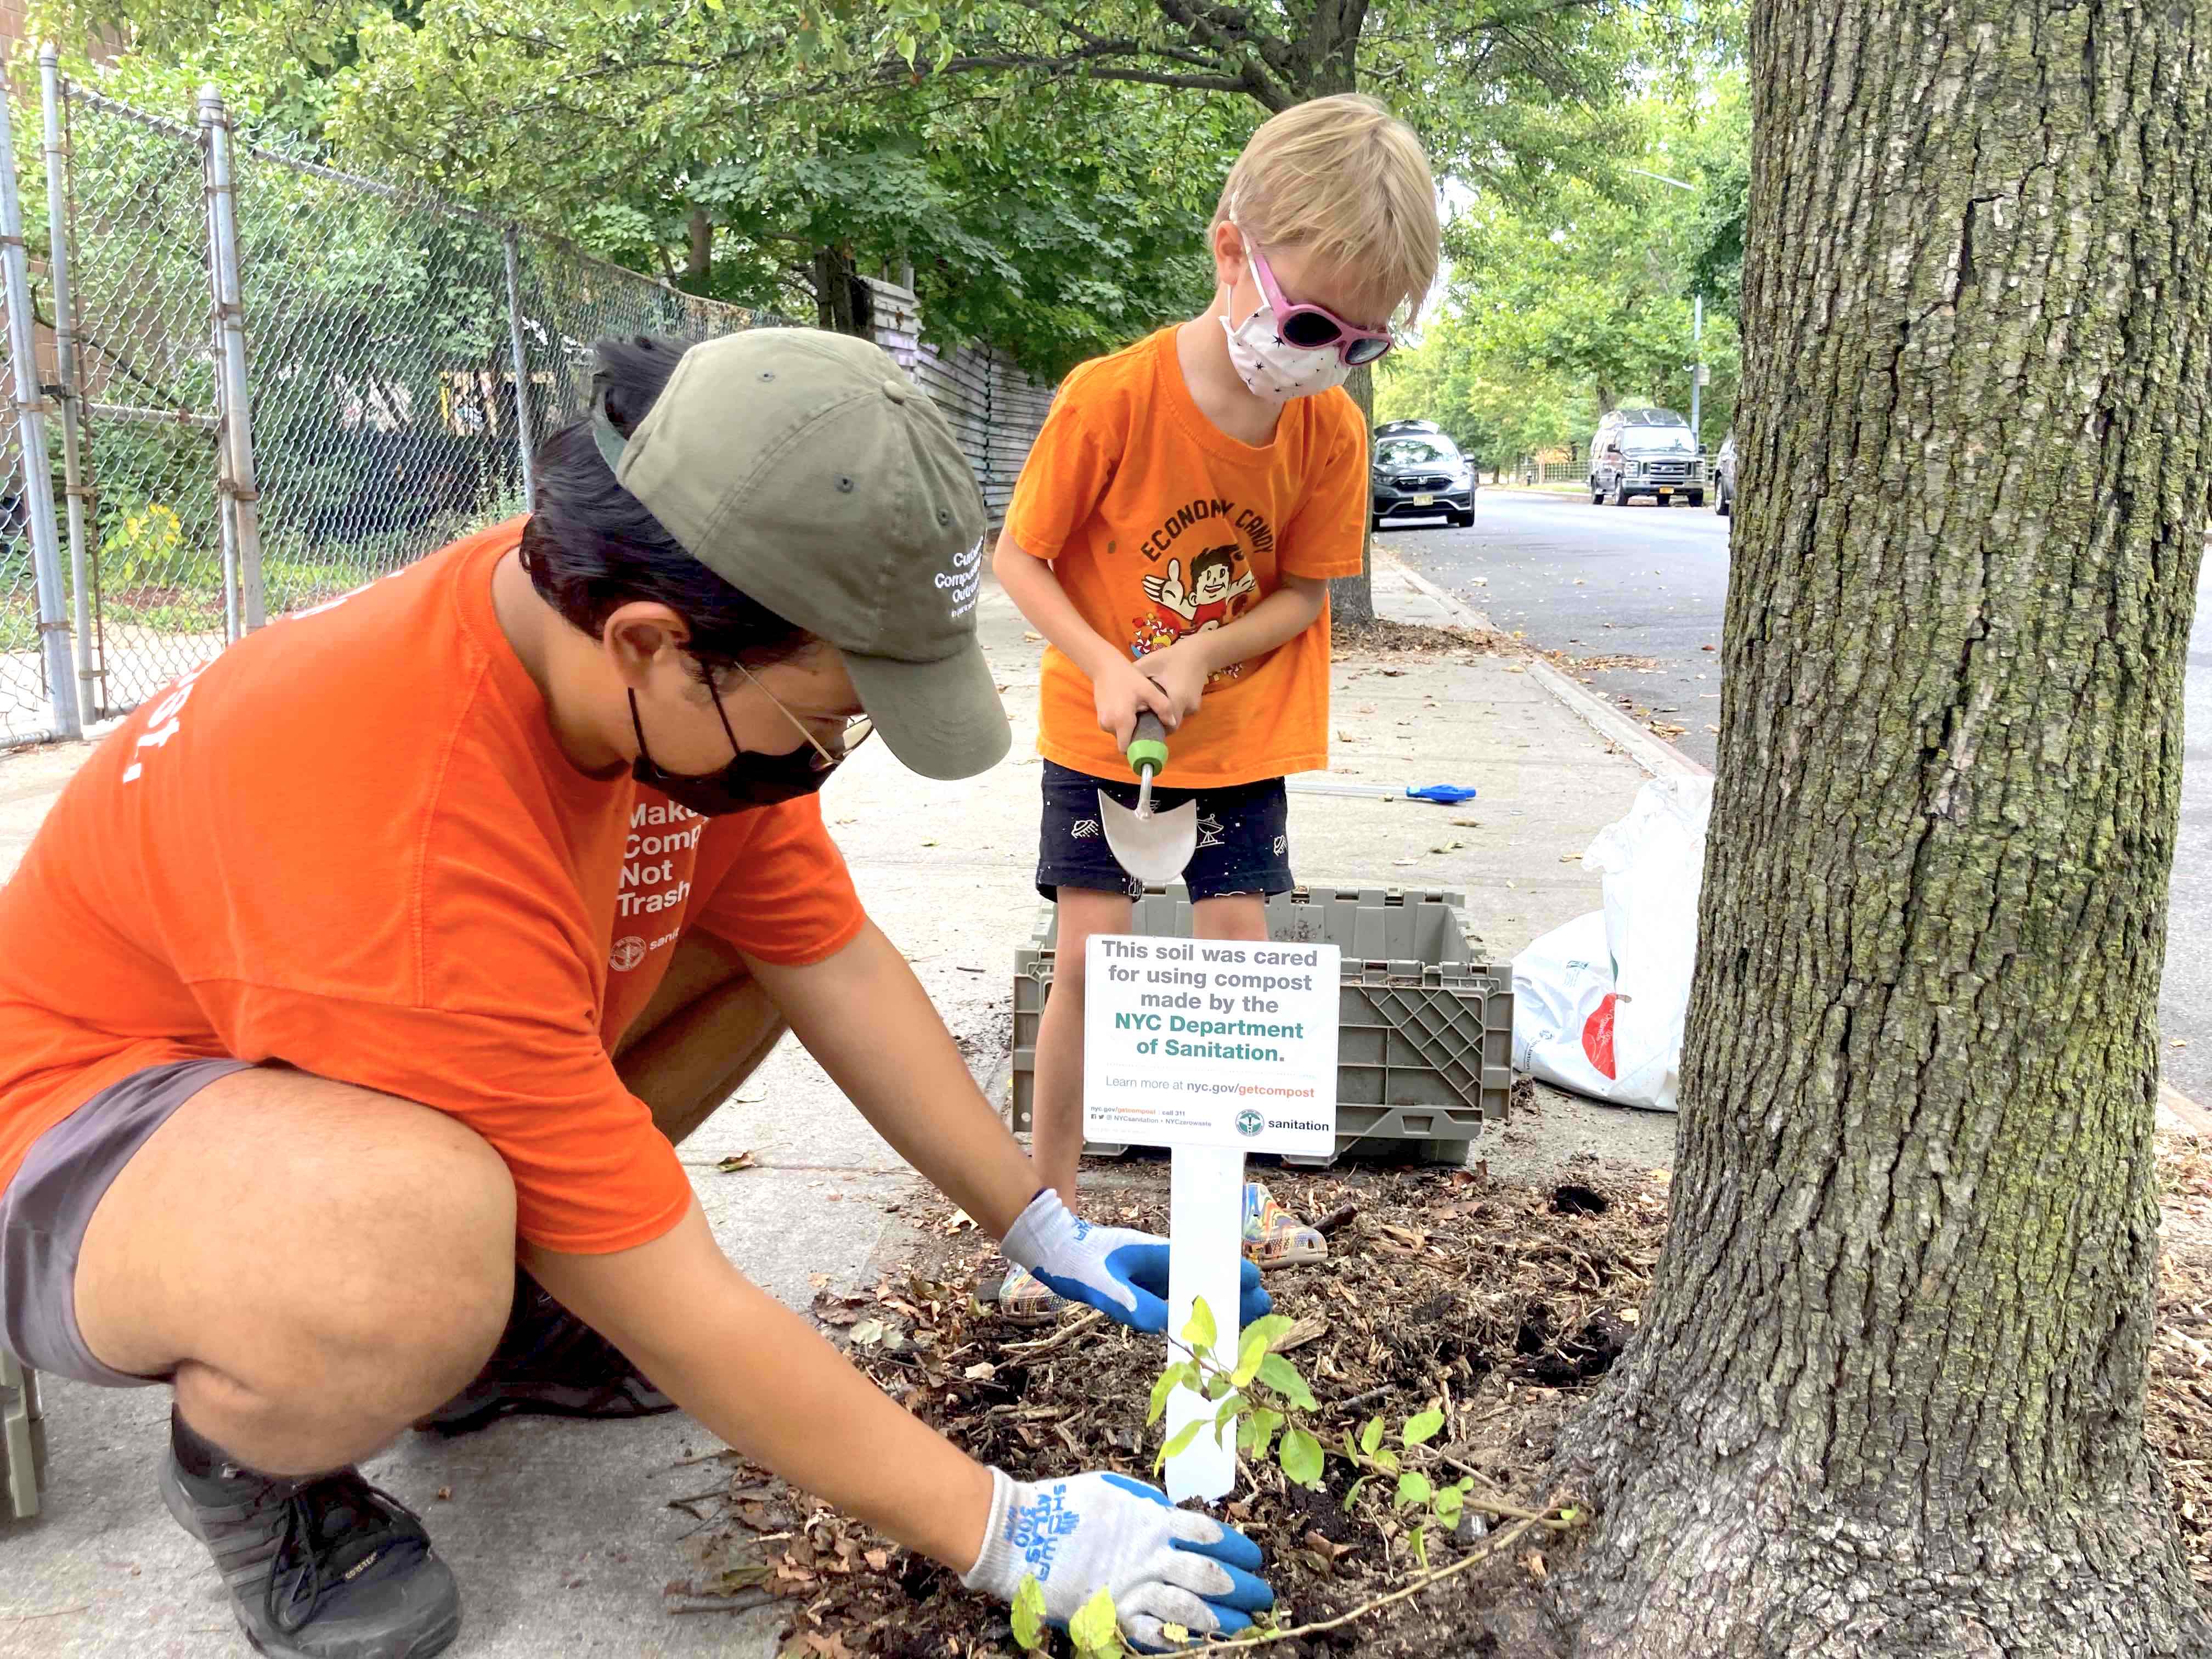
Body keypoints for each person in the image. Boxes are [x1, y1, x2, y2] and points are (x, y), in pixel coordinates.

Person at [0, 329, 1276, 1659]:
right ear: (656, 645)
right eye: (827, 719)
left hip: (322, 1049)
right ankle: (257, 1463)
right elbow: (675, 1297)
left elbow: (827, 956)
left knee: (744, 961)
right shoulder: (423, 835)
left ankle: (505, 1332)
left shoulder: (634, 649)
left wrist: (1041, 1225)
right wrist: (1003, 1528)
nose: (831, 752)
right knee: (411, 1244)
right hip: (85, 1127)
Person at [991, 94, 1442, 1321]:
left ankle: (1229, 1195)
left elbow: (1302, 594)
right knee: (1086, 967)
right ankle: (1048, 1217)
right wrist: (1107, 662)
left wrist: (1203, 651)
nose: (1324, 362)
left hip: (1236, 740)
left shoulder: (1328, 434)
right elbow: (1020, 559)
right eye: (1310, 326)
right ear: (1231, 251)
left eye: (1361, 346)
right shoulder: (1112, 399)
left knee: (1234, 975)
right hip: (1102, 734)